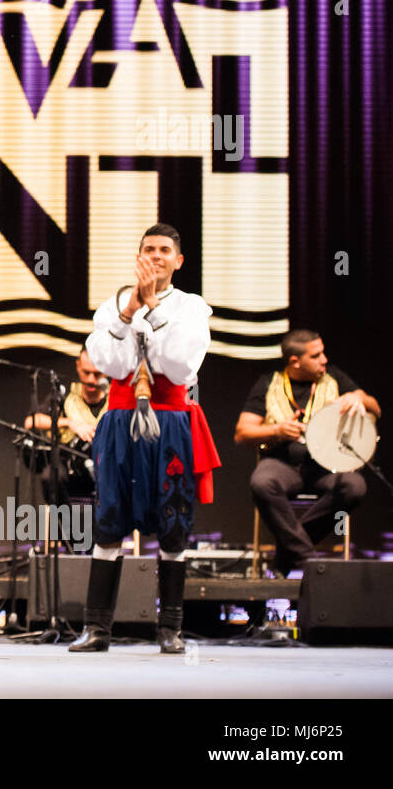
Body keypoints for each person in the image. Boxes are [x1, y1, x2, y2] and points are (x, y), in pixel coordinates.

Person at [70, 223, 220, 654]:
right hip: (119, 419)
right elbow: (107, 365)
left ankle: (170, 630)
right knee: (109, 520)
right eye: (148, 249)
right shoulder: (113, 303)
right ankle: (97, 629)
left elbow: (179, 366)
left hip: (170, 420)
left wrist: (153, 308)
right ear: (138, 257)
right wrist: (126, 313)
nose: (155, 256)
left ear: (178, 260)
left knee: (173, 522)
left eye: (164, 250)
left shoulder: (192, 307)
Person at [234, 330, 378, 576]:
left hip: (324, 467)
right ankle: (307, 559)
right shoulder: (268, 383)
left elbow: (375, 407)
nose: (324, 359)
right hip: (282, 463)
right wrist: (277, 429)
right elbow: (242, 433)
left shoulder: (333, 378)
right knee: (262, 482)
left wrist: (357, 398)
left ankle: (287, 554)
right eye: (316, 355)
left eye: (322, 353)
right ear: (295, 361)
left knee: (354, 487)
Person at [23, 345, 109, 501]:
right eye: (86, 372)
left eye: (97, 374)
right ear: (78, 366)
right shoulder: (65, 396)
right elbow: (31, 421)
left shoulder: (115, 400)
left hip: (108, 467)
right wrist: (69, 422)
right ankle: (67, 525)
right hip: (70, 468)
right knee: (51, 476)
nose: (91, 379)